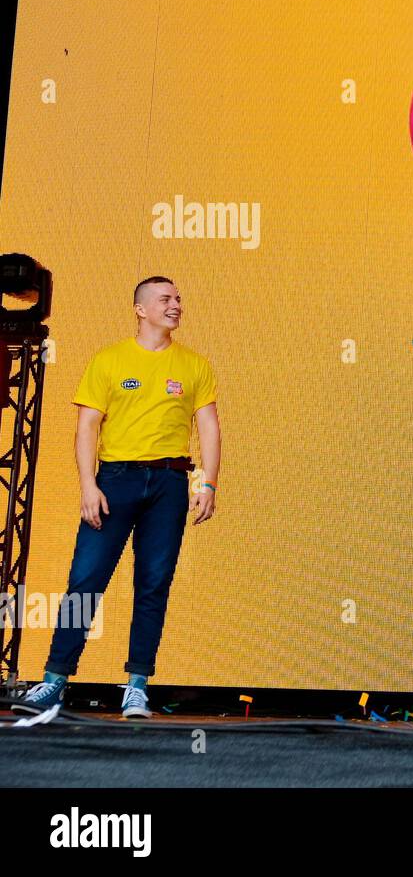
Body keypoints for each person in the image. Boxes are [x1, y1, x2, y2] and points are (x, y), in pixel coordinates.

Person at [14, 276, 220, 719]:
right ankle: (54, 681)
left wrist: (208, 483)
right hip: (115, 481)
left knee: (153, 584)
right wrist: (89, 485)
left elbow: (208, 427)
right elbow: (87, 426)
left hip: (169, 482)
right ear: (141, 310)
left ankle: (136, 687)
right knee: (85, 581)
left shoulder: (195, 365)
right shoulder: (109, 360)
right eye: (166, 299)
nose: (176, 305)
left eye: (179, 299)